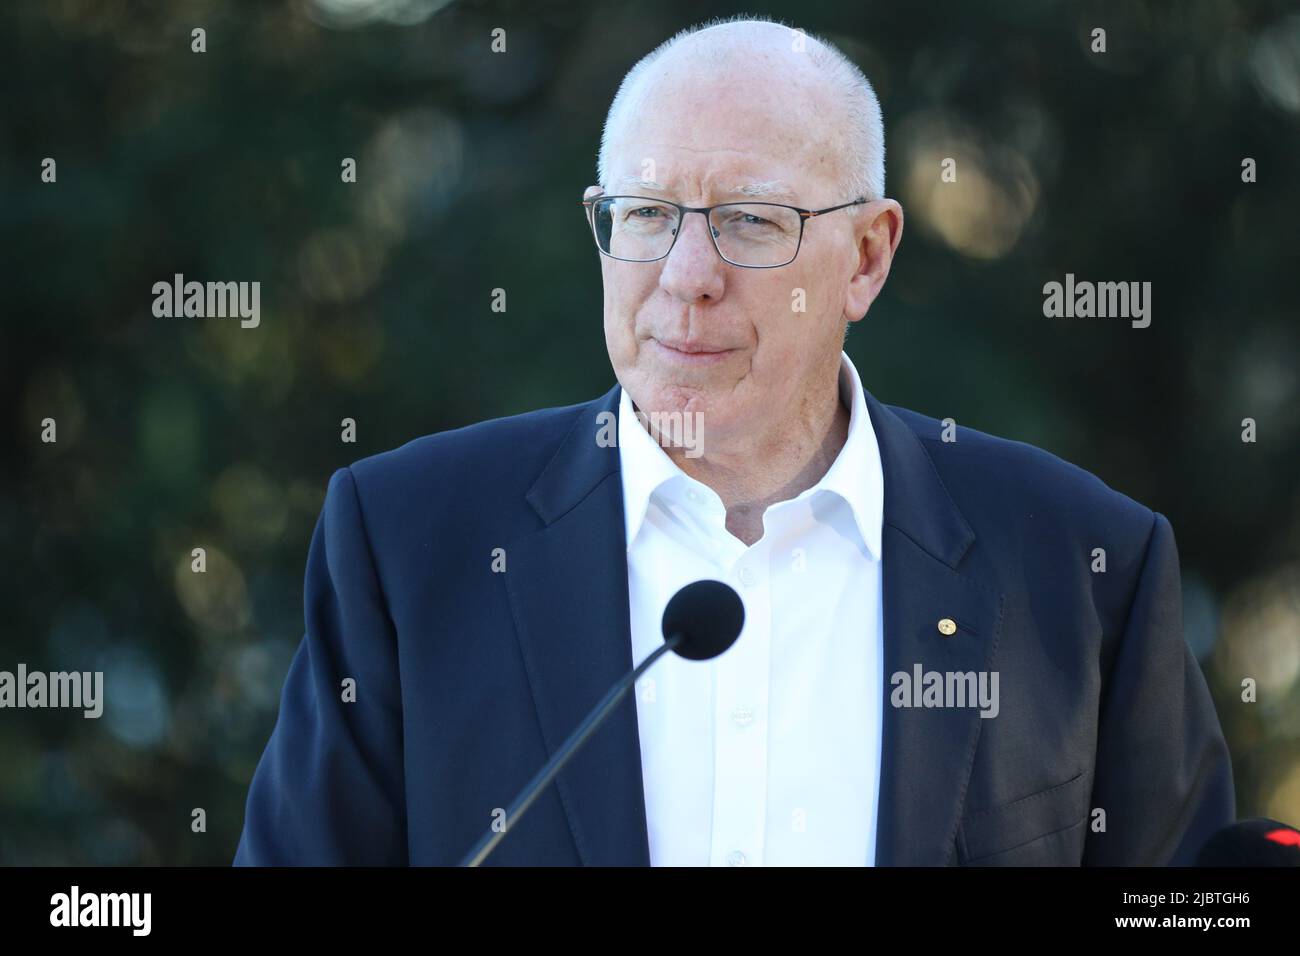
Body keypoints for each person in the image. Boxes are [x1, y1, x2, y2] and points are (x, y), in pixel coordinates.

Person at [234, 16, 1233, 866]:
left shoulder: (1085, 561)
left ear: (868, 257)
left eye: (751, 222)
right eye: (647, 214)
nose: (686, 273)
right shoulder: (410, 541)